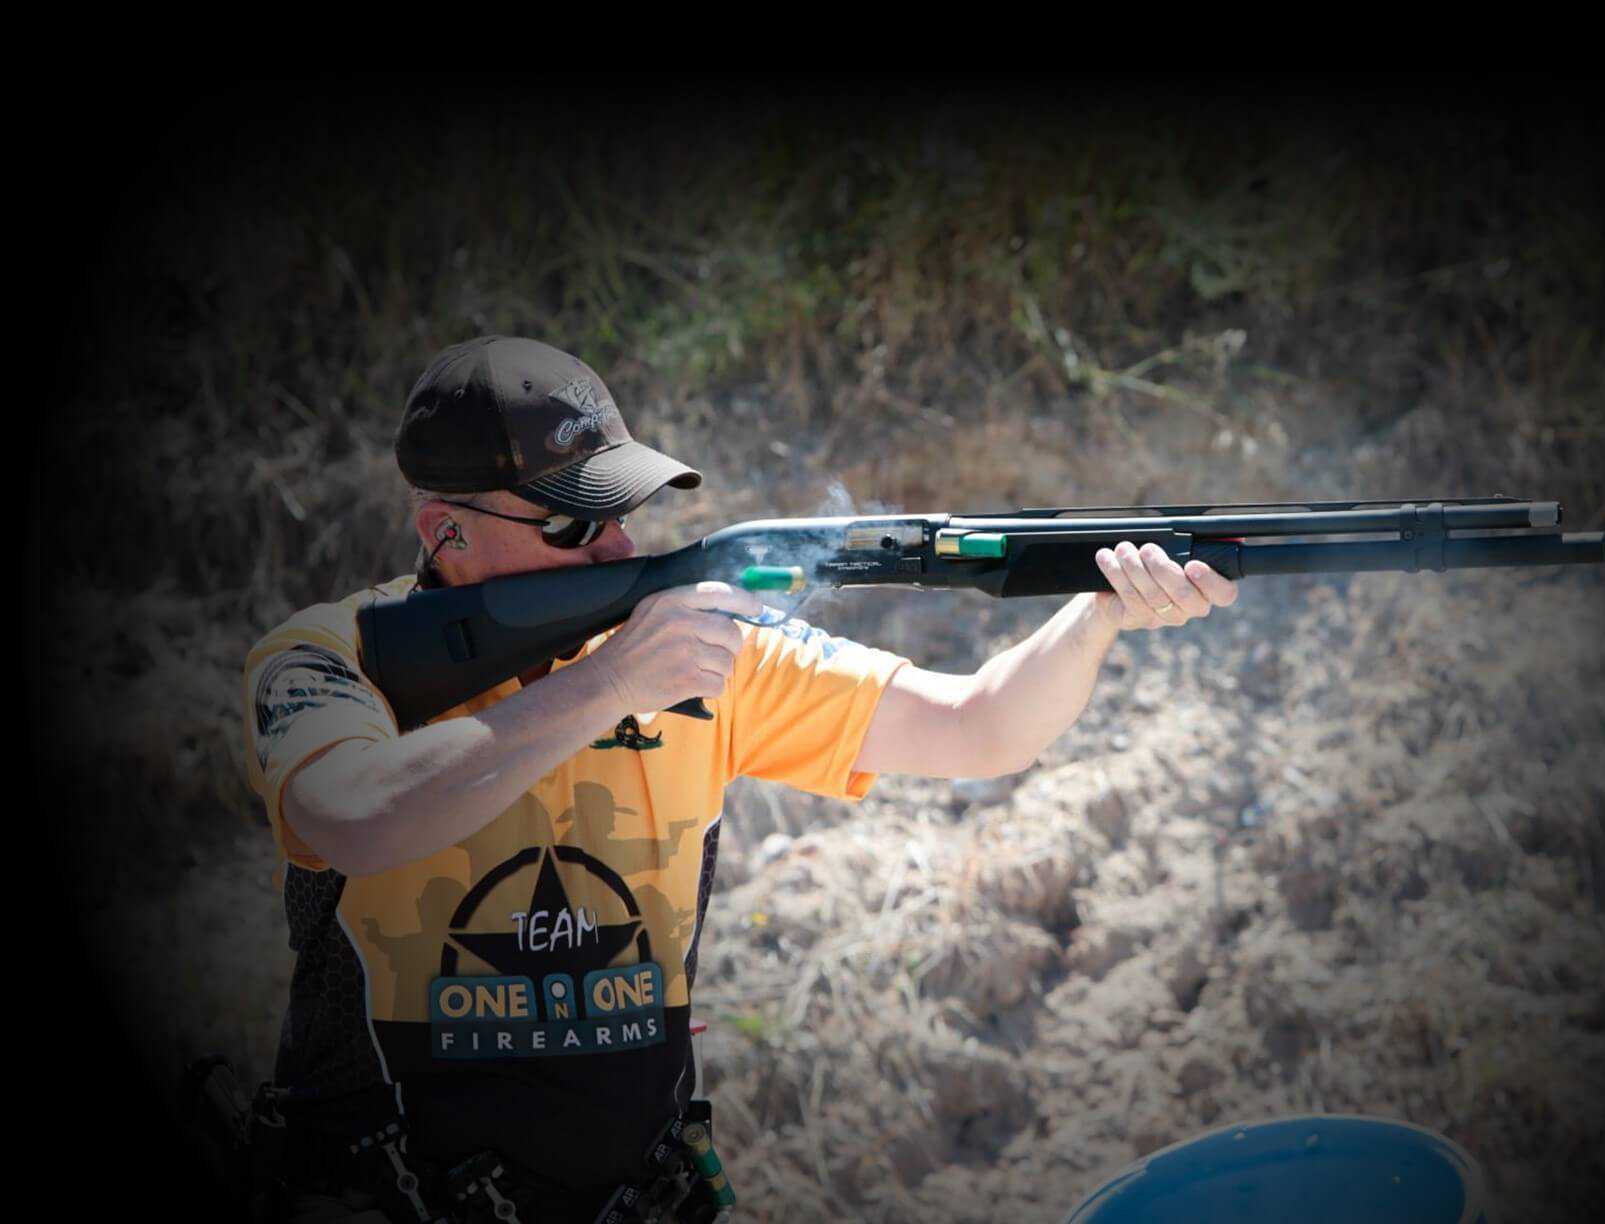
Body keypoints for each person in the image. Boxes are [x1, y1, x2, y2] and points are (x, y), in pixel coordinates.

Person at [241, 335, 1238, 1221]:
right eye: (570, 527)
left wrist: (1100, 611)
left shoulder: (697, 651)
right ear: (441, 533)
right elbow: (355, 820)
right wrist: (613, 681)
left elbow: (980, 727)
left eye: (620, 511)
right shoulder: (335, 656)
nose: (619, 547)